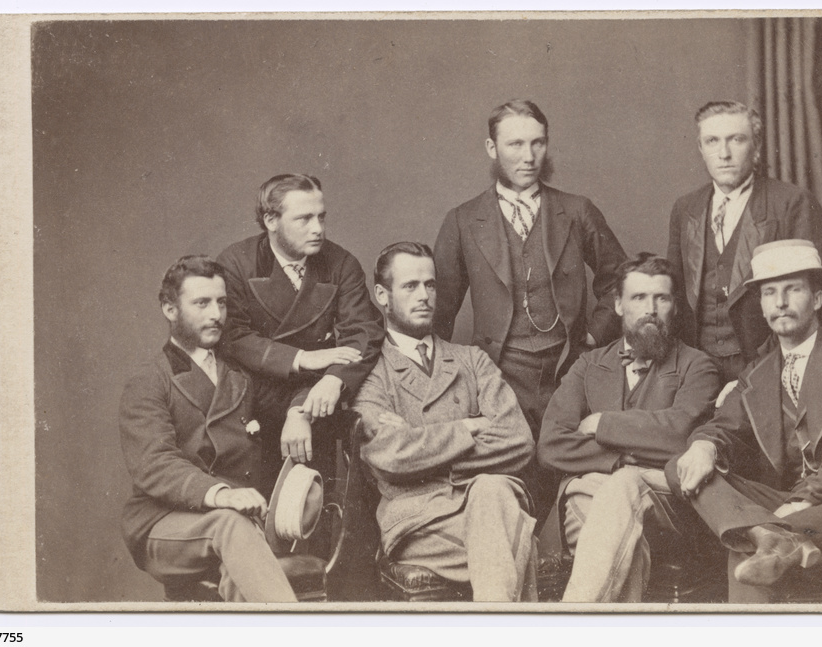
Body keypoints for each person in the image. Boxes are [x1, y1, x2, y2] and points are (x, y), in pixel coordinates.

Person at [666, 240, 822, 601]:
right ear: (762, 304)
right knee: (681, 465)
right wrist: (705, 445)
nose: (780, 303)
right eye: (769, 293)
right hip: (784, 504)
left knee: (745, 542)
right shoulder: (757, 374)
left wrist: (802, 501)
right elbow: (723, 427)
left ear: (816, 299)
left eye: (792, 290)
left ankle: (763, 534)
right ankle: (767, 534)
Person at [353, 242, 538, 602]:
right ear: (382, 295)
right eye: (410, 286)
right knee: (514, 534)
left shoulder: (472, 360)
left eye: (431, 284)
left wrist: (421, 443)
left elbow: (518, 439)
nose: (424, 296)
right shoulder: (369, 371)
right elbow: (389, 456)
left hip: (483, 507)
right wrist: (468, 428)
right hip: (421, 524)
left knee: (492, 493)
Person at [433, 99, 628, 435]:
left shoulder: (577, 210)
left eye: (538, 143)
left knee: (564, 463)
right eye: (516, 144)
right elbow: (440, 311)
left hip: (570, 369)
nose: (529, 156)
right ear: (492, 148)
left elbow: (623, 282)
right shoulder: (463, 220)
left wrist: (595, 335)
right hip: (496, 375)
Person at [537, 253, 721, 602]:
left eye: (661, 298)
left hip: (667, 509)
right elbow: (551, 445)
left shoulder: (698, 366)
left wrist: (602, 424)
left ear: (675, 307)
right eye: (639, 297)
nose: (651, 308)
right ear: (619, 305)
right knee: (610, 509)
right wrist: (627, 459)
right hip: (608, 500)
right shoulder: (587, 365)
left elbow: (680, 434)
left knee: (593, 491)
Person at [119, 255, 297, 602]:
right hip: (164, 522)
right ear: (170, 310)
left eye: (221, 302)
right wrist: (222, 494)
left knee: (239, 550)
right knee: (230, 524)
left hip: (237, 522)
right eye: (201, 303)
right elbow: (154, 465)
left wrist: (300, 412)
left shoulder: (239, 374)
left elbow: (287, 397)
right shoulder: (150, 380)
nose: (216, 314)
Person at [217, 174, 384, 486]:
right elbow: (233, 338)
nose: (318, 229)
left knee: (312, 508)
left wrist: (335, 380)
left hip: (317, 400)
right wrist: (303, 357)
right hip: (253, 404)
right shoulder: (236, 263)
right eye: (304, 219)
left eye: (321, 217)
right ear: (271, 220)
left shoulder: (341, 263)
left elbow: (364, 331)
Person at [666, 101, 822, 387]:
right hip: (696, 369)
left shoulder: (791, 203)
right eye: (712, 141)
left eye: (736, 139)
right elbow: (672, 294)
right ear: (700, 148)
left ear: (756, 146)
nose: (723, 154)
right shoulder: (686, 208)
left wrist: (762, 374)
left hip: (768, 368)